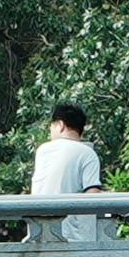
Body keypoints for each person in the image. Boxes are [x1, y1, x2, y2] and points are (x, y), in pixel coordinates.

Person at [29, 103, 105, 242]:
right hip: (72, 237)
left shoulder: (42, 150)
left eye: (51, 126)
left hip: (39, 235)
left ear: (60, 125)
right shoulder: (87, 154)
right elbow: (93, 195)